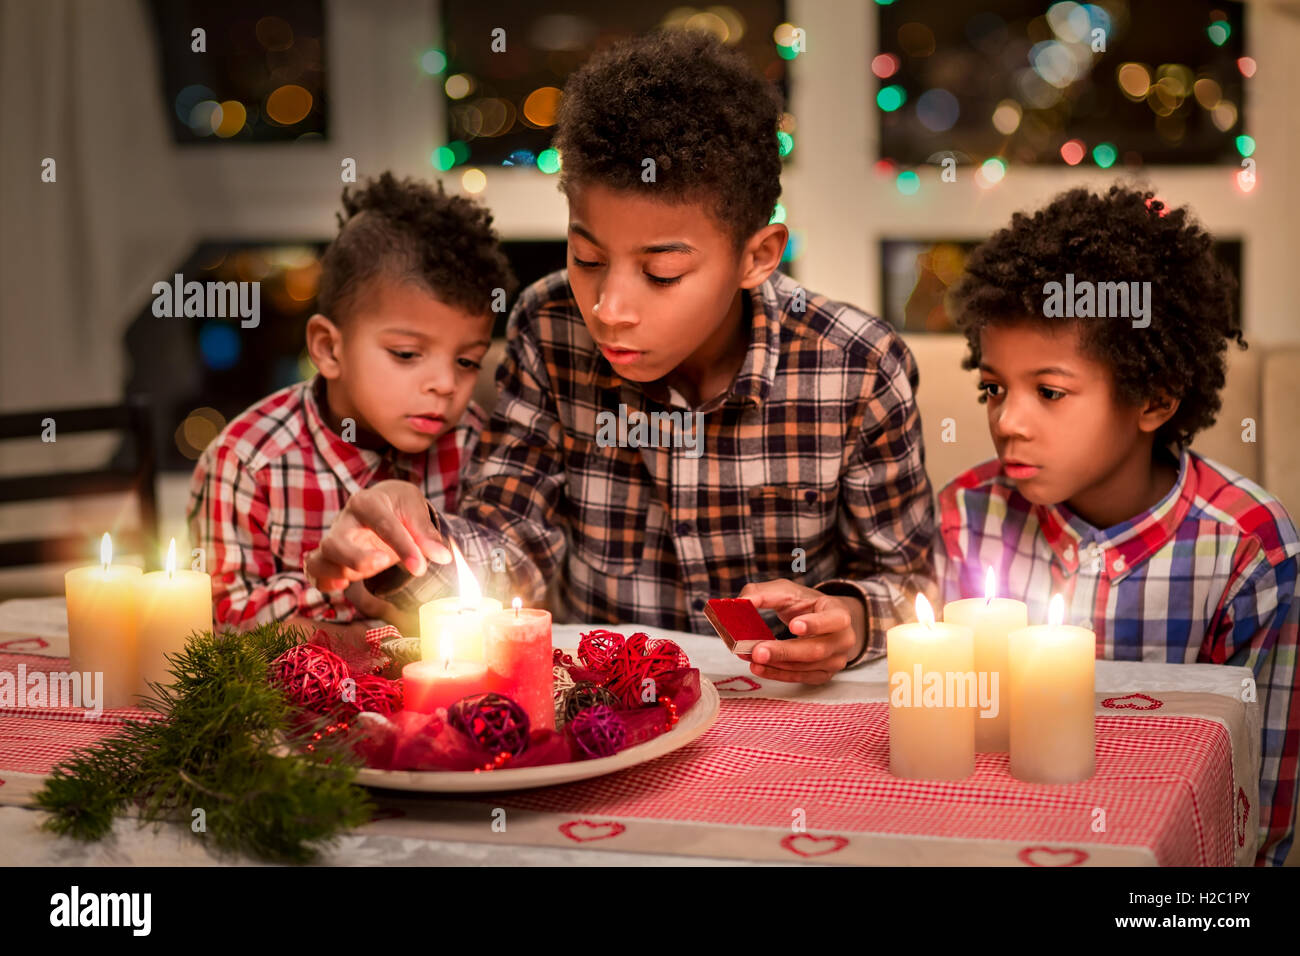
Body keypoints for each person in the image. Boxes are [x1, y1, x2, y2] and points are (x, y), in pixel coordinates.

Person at [304, 30, 937, 683]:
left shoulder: (857, 366)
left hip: (785, 710)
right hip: (607, 709)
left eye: (661, 272)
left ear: (757, 255)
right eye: (587, 259)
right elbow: (512, 541)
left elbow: (908, 578)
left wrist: (854, 620)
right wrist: (413, 549)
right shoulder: (550, 329)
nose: (608, 307)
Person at [936, 184, 1299, 865]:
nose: (1007, 420)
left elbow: (1259, 810)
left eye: (1049, 392)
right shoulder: (965, 514)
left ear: (1154, 397)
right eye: (993, 387)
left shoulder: (1248, 549)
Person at [188, 173, 515, 643]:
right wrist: (348, 589)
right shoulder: (244, 463)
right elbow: (221, 623)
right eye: (406, 354)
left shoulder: (473, 443)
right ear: (329, 348)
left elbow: (499, 595)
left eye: (467, 361)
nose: (445, 384)